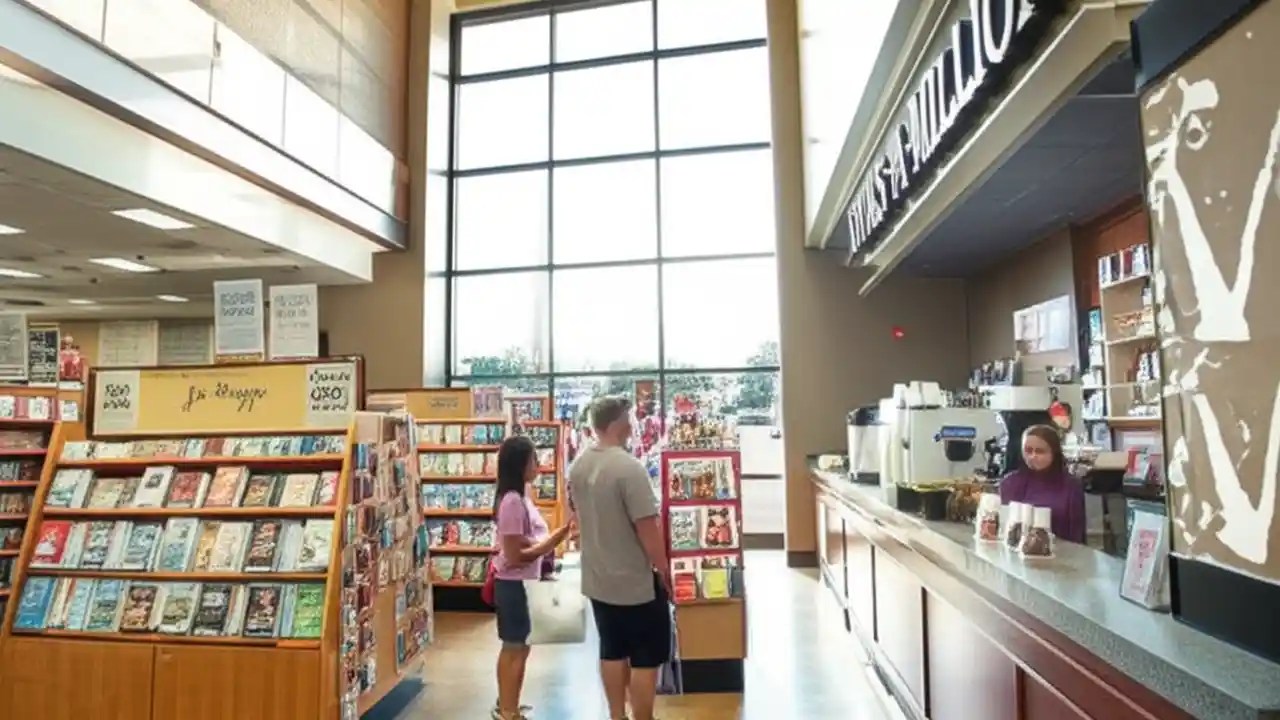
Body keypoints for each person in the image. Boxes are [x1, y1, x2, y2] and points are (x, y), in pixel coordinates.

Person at [569, 396, 671, 720]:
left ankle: (616, 715)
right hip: (635, 581)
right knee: (645, 656)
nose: (633, 423)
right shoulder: (629, 468)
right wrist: (664, 568)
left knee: (611, 649)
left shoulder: (579, 466)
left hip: (598, 577)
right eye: (628, 418)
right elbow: (647, 528)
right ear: (615, 424)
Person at [492, 436, 573, 720]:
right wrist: (554, 541)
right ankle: (507, 710)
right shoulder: (513, 502)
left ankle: (509, 702)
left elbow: (523, 543)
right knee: (514, 647)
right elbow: (515, 555)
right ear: (520, 464)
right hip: (514, 586)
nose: (538, 465)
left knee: (520, 646)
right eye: (533, 460)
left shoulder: (520, 498)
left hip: (521, 584)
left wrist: (547, 541)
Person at [999, 424, 1086, 543]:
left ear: (1053, 452)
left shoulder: (1071, 486)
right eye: (1028, 451)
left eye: (1040, 451)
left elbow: (1077, 534)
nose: (1033, 456)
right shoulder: (1010, 483)